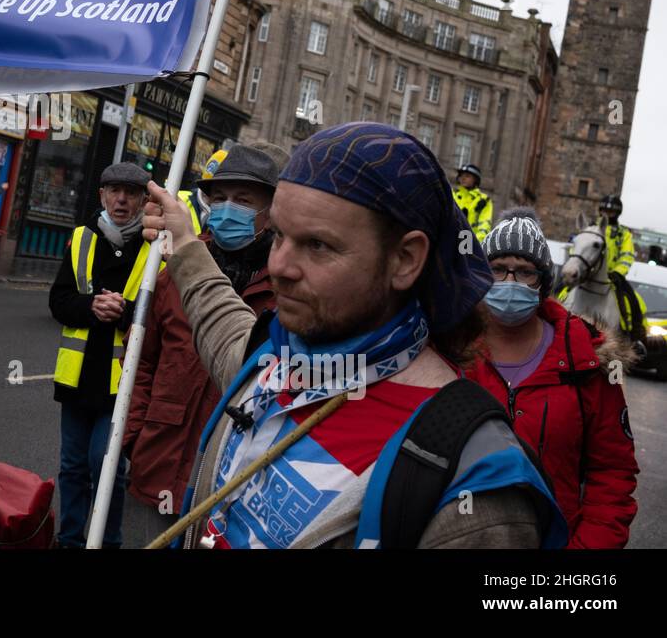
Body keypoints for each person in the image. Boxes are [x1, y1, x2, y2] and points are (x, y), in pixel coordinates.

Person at [144, 122, 565, 549]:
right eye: (280, 236)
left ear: (405, 259)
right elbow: (220, 318)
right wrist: (182, 240)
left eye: (318, 246)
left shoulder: (470, 476)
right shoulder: (274, 356)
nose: (280, 268)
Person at [123, 145, 282, 544]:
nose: (228, 209)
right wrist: (134, 436)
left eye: (244, 200)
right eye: (220, 197)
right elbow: (139, 362)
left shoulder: (287, 287)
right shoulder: (172, 272)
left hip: (240, 487)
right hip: (162, 463)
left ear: (273, 210)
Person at [466, 207, 638, 548]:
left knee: (630, 307)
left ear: (543, 282)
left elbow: (612, 474)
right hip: (458, 539)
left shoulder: (588, 359)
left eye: (525, 272)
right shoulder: (445, 346)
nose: (509, 282)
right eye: (498, 269)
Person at [49, 161, 155, 548]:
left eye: (130, 192)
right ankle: (70, 540)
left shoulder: (155, 247)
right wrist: (91, 306)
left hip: (122, 383)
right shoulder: (81, 238)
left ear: (144, 199)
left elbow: (161, 315)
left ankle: (106, 542)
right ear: (102, 196)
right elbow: (58, 301)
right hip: (76, 378)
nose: (121, 199)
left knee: (105, 465)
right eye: (114, 191)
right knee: (72, 467)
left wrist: (125, 314)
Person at [452, 162, 493, 243]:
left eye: (467, 176)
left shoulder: (484, 200)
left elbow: (485, 225)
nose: (463, 178)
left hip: (468, 241)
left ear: (475, 180)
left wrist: (476, 243)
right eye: (461, 176)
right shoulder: (452, 195)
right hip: (449, 238)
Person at [599, 194, 636, 279]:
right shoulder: (590, 228)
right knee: (563, 290)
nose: (607, 215)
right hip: (586, 273)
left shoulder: (624, 234)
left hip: (612, 277)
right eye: (604, 211)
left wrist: (618, 273)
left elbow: (627, 256)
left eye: (611, 212)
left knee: (631, 293)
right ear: (600, 211)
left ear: (617, 213)